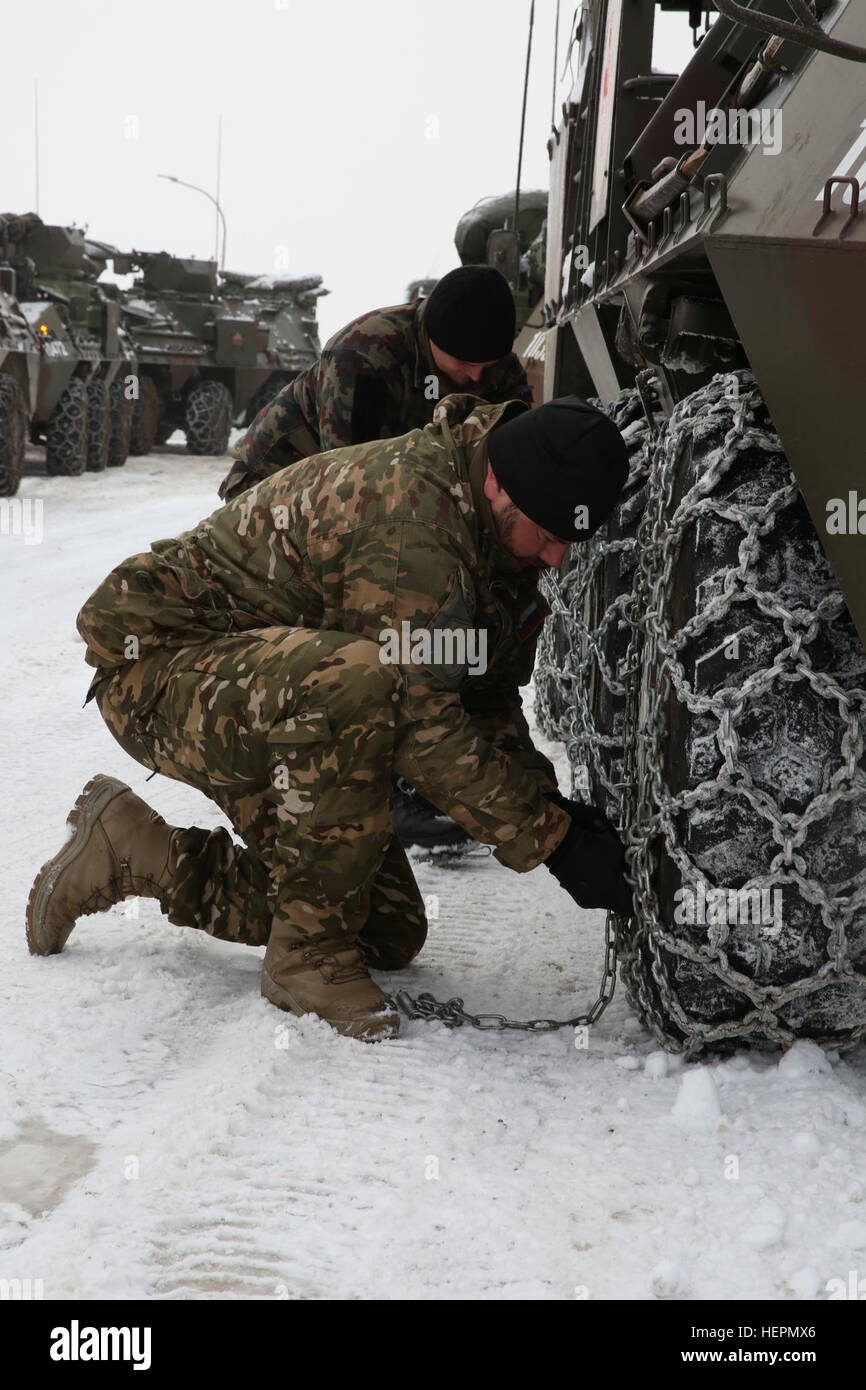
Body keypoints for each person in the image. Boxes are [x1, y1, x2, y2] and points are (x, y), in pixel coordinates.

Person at [26, 392, 632, 1043]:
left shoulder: (491, 534)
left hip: (276, 692)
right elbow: (423, 723)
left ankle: (135, 850)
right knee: (367, 684)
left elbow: (484, 701)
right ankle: (306, 961)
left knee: (386, 929)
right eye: (547, 535)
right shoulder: (414, 530)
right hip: (161, 673)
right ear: (496, 483)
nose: (557, 559)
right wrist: (549, 840)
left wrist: (552, 810)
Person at [221, 263, 531, 853]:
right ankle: (373, 783)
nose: (474, 376)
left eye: (485, 366)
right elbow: (355, 503)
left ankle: (433, 764)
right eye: (460, 362)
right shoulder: (364, 359)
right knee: (368, 613)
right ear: (428, 333)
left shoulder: (493, 364)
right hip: (281, 497)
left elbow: (512, 460)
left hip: (402, 491)